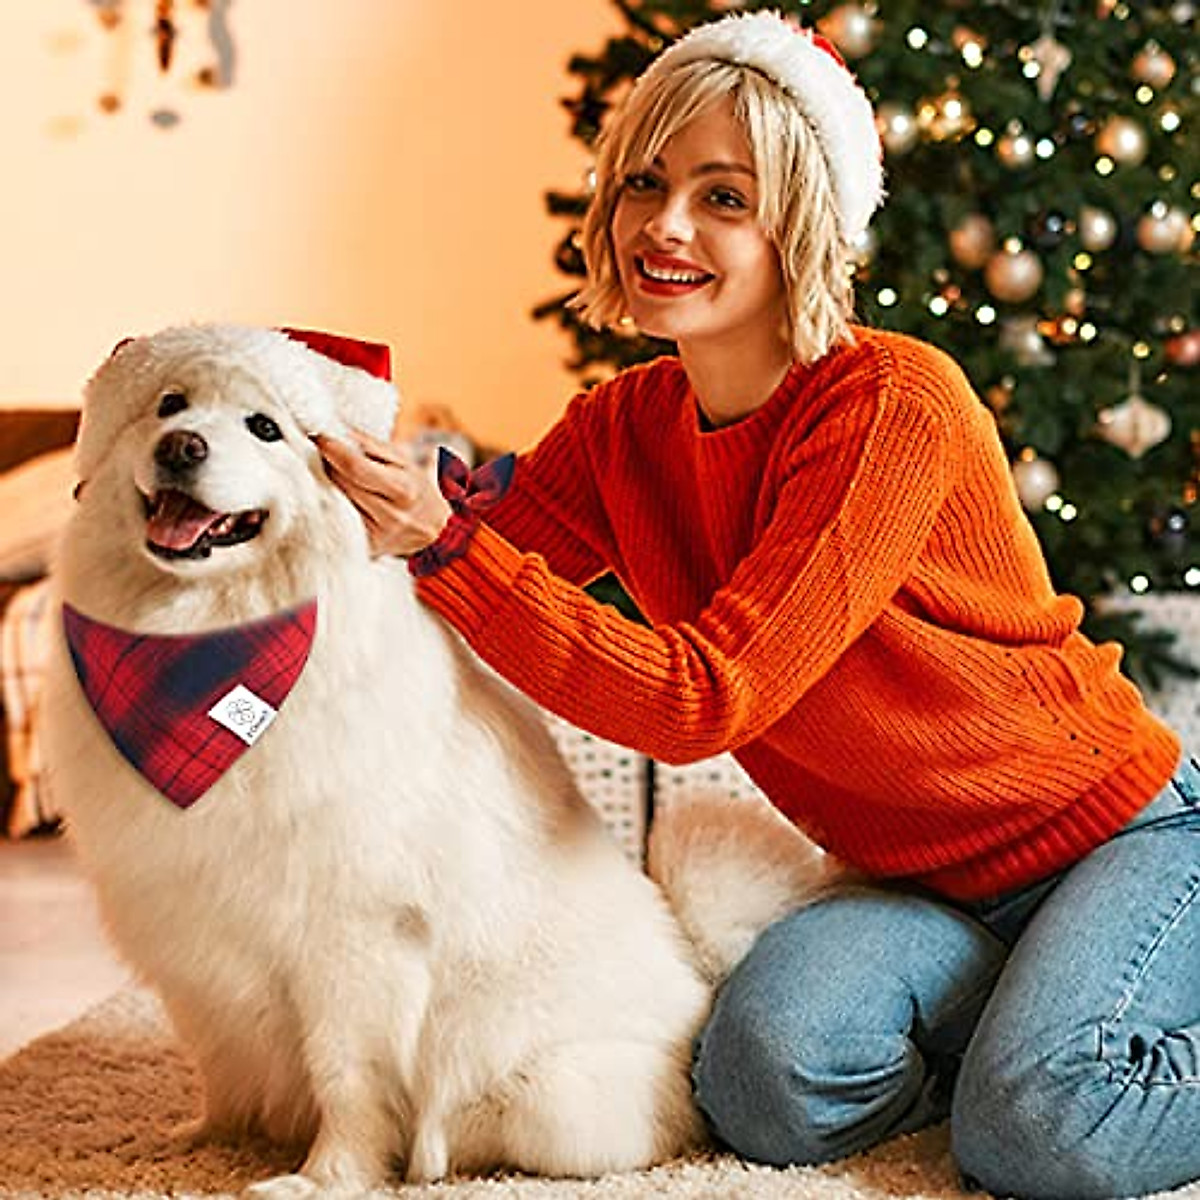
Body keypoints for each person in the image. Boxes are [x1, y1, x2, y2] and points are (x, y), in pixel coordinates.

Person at [317, 11, 1200, 1199]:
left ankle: (1041, 1053)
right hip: (918, 883)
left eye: (725, 196)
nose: (666, 225)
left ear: (802, 222)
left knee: (1040, 1134)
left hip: (1117, 839)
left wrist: (452, 548)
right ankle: (1026, 1023)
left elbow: (704, 697)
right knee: (760, 1084)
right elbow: (464, 562)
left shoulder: (891, 403)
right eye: (646, 180)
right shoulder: (624, 427)